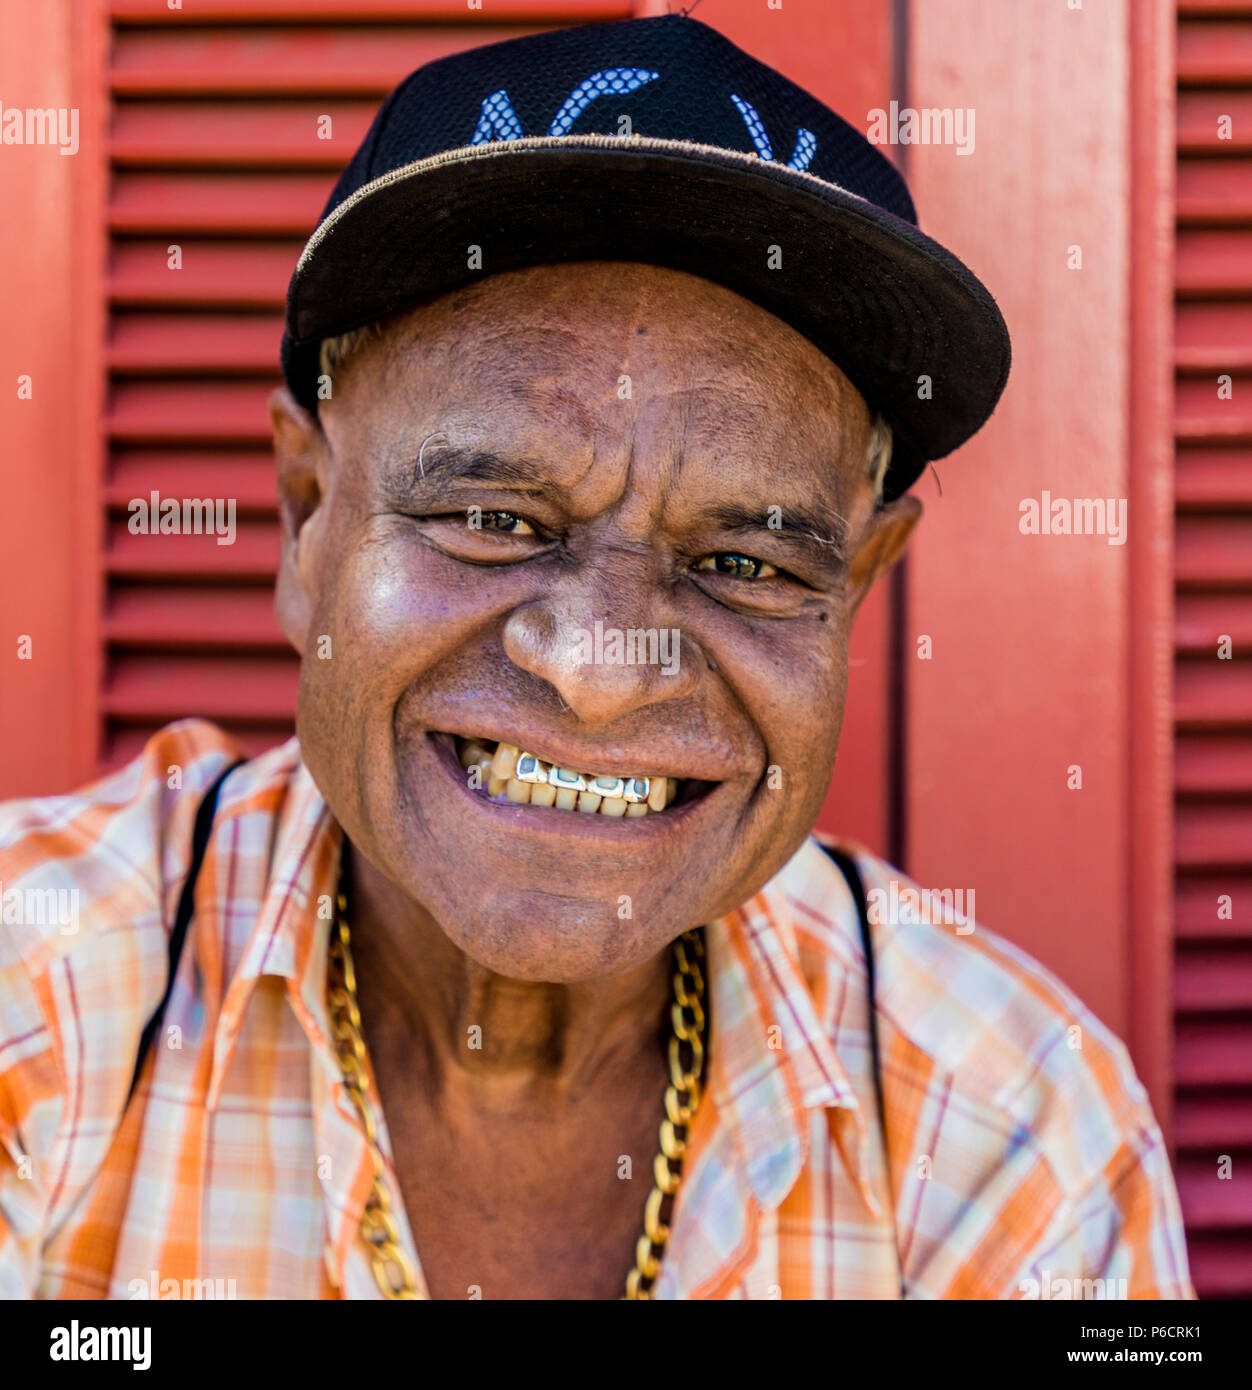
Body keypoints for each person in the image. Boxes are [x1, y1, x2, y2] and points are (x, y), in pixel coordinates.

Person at [0, 13, 1192, 1300]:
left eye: (744, 562)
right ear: (306, 520)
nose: (598, 668)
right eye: (493, 519)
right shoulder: (39, 1004)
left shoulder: (1014, 1142)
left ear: (853, 590)